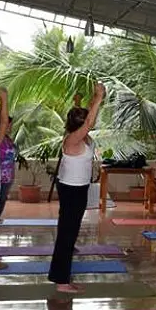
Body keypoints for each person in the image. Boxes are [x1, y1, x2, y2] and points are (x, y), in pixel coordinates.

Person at [49, 83, 105, 293]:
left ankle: (62, 272)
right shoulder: (73, 140)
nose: (91, 122)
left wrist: (84, 102)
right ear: (81, 125)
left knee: (69, 233)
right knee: (66, 234)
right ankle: (61, 281)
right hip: (71, 189)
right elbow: (89, 121)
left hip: (76, 188)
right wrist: (99, 96)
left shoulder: (83, 137)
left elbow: (89, 117)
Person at [0, 88, 15, 271]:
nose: (9, 125)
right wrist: (3, 100)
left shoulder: (5, 139)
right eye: (7, 123)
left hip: (4, 184)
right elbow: (3, 119)